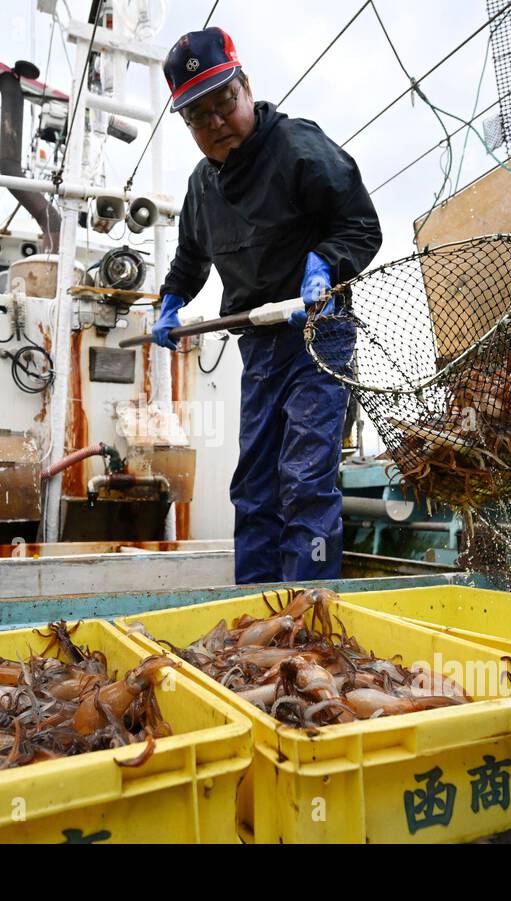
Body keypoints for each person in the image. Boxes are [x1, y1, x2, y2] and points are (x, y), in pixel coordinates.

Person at [155, 27, 382, 583]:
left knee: (304, 477)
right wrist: (170, 301)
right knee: (254, 485)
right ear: (187, 126)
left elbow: (361, 226)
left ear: (246, 88)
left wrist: (324, 263)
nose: (216, 123)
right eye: (197, 117)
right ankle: (252, 615)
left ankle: (309, 618)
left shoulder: (298, 147)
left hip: (318, 337)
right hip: (258, 348)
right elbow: (190, 259)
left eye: (223, 103)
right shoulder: (201, 187)